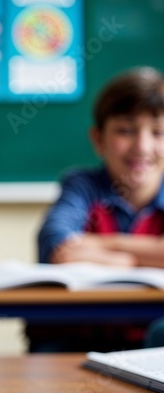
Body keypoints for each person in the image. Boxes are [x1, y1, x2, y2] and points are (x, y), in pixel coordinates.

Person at [29, 66, 164, 352]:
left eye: (158, 132)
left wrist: (105, 247)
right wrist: (145, 257)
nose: (142, 146)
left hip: (150, 343)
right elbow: (59, 250)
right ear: (98, 139)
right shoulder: (82, 185)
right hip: (75, 340)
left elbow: (77, 249)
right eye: (126, 131)